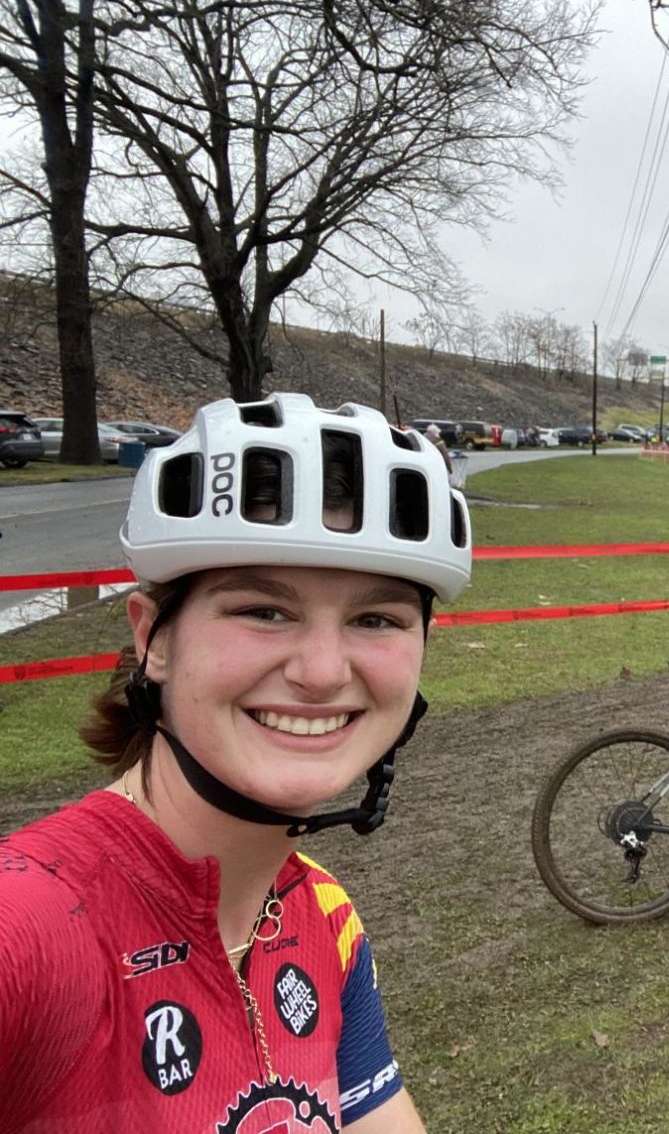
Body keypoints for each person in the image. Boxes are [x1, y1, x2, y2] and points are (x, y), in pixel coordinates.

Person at [0, 393, 473, 1132]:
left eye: (375, 619)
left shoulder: (324, 919)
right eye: (264, 610)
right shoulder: (24, 927)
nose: (321, 672)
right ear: (154, 638)